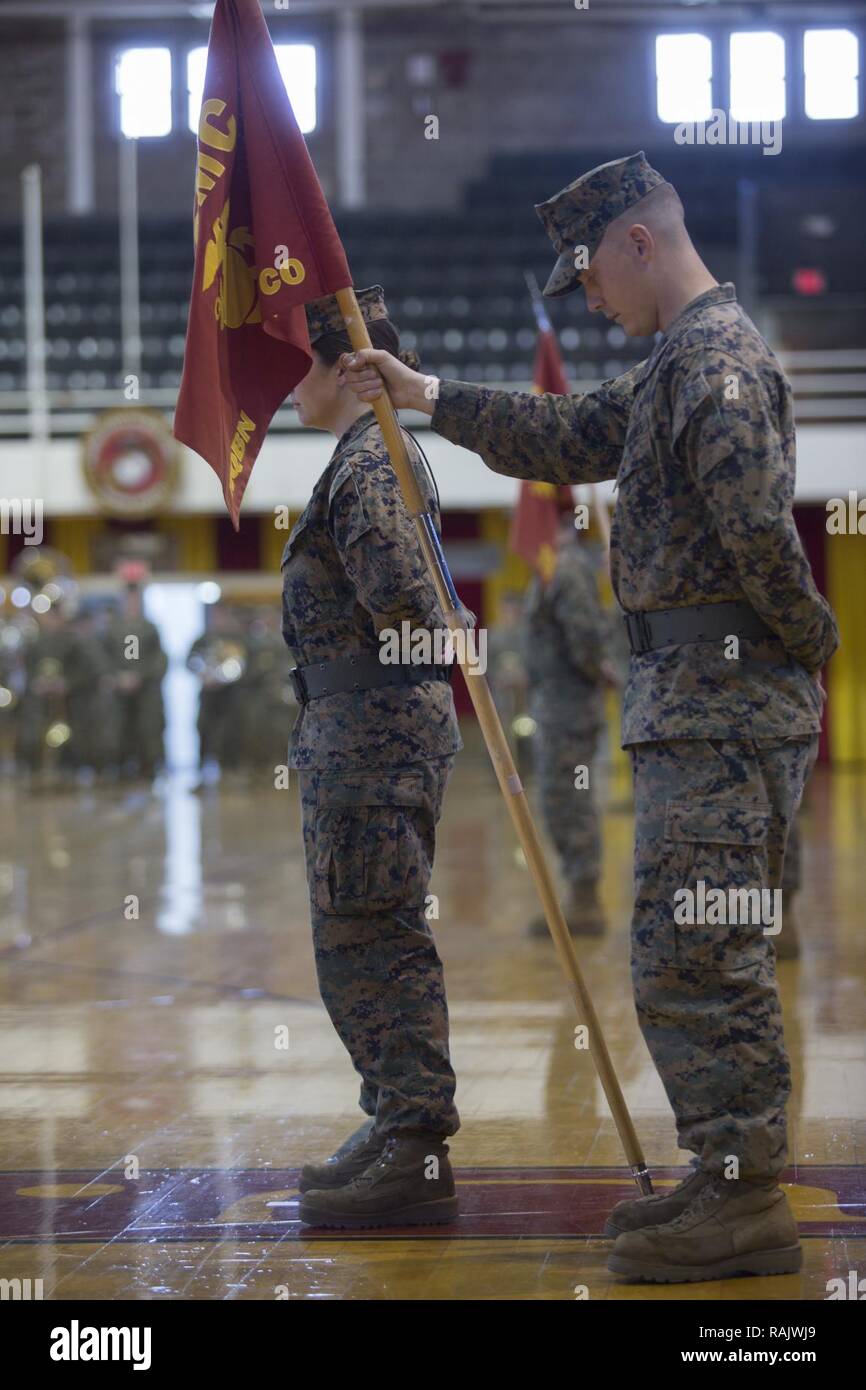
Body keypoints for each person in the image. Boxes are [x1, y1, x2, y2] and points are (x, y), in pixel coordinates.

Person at [342, 154, 839, 1282]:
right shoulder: (673, 362)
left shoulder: (714, 364)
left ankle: (742, 1193)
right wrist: (418, 391)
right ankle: (723, 1174)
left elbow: (762, 542)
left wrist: (808, 644)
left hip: (721, 705)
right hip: (690, 705)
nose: (593, 307)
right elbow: (565, 436)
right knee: (682, 950)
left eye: (592, 283)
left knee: (700, 951)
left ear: (636, 243)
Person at [284, 285, 462, 1229]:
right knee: (362, 939)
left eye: (296, 369)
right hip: (363, 737)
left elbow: (404, 598)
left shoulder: (369, 468)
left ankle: (416, 1146)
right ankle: (397, 1120)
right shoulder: (367, 459)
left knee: (375, 942)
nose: (284, 390)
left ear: (347, 368)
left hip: (373, 740)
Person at [524, 514, 615, 938]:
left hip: (571, 708)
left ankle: (585, 899)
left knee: (572, 800)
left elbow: (584, 636)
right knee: (558, 799)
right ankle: (578, 893)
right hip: (556, 706)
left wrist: (596, 671)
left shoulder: (568, 567)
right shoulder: (548, 566)